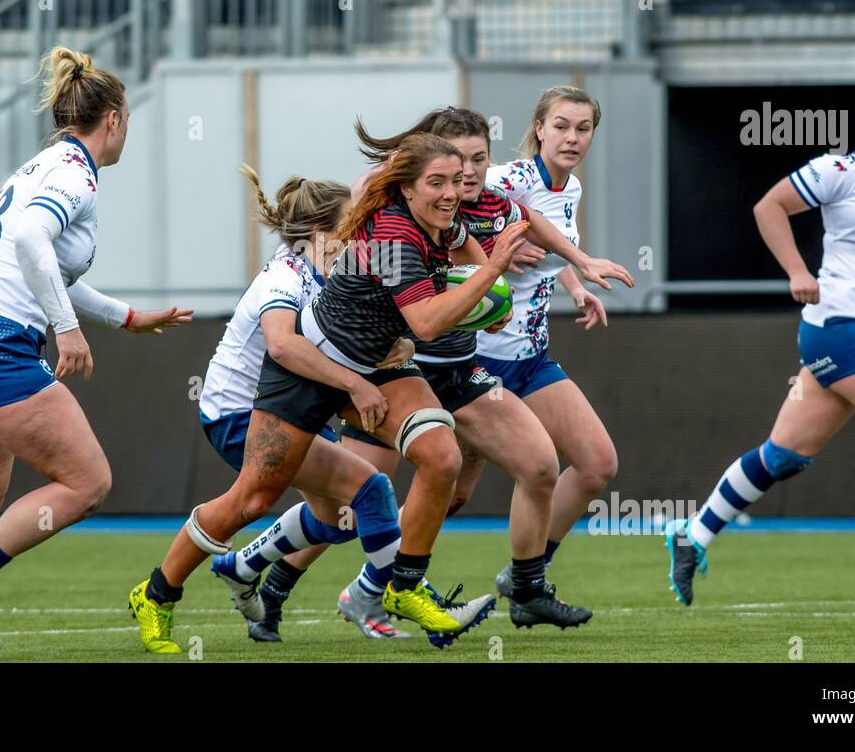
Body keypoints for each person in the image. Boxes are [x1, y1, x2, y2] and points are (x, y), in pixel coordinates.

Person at [242, 107, 632, 640]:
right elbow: (378, 245)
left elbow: (523, 221)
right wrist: (488, 272)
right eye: (457, 165)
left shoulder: (484, 199)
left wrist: (578, 266)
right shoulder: (410, 206)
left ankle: (504, 585)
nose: (469, 175)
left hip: (464, 369)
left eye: (478, 160)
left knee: (532, 467)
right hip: (400, 370)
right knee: (350, 506)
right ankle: (274, 581)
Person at [129, 132, 526, 654]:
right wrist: (492, 275)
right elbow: (305, 345)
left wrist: (479, 301)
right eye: (438, 181)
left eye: (457, 180)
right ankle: (156, 594)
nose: (454, 191)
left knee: (409, 471)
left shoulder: (422, 226)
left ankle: (394, 586)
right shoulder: (340, 256)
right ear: (404, 190)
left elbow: (447, 278)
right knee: (253, 500)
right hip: (272, 392)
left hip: (350, 369)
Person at [0, 46, 191, 663]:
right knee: (88, 480)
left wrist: (124, 318)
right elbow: (29, 241)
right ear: (116, 117)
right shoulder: (76, 175)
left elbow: (43, 263)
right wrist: (68, 330)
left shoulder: (44, 164)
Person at [665, 80, 855, 604]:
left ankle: (693, 535)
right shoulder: (842, 169)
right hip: (841, 324)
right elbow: (769, 207)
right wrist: (796, 271)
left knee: (784, 456)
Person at [202, 167, 436, 643]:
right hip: (241, 415)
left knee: (339, 518)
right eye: (351, 223)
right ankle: (409, 591)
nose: (360, 232)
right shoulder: (285, 277)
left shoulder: (335, 273)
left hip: (293, 408)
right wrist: (357, 386)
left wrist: (403, 349)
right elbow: (284, 346)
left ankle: (240, 566)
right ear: (321, 233)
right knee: (359, 496)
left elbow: (363, 334)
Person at [455, 87, 625, 609]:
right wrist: (494, 250)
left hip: (530, 358)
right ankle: (356, 577)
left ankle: (526, 579)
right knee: (453, 492)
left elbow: (551, 246)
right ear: (539, 128)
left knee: (597, 465)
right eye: (562, 126)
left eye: (583, 128)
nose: (572, 137)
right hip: (479, 362)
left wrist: (576, 288)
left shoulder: (568, 188)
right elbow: (448, 215)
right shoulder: (510, 179)